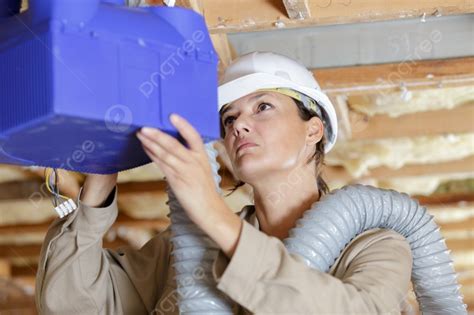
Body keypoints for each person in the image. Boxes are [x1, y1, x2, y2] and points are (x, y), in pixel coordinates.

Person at [35, 51, 413, 314]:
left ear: (314, 128)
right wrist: (99, 186)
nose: (239, 125)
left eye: (263, 106)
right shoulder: (185, 248)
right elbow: (73, 305)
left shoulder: (374, 245)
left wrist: (212, 213)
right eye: (229, 118)